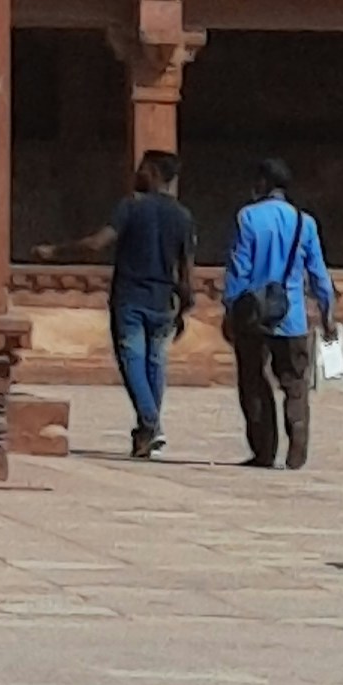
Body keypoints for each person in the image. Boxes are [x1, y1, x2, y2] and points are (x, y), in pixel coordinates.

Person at [220, 157, 337, 473]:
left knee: (254, 382)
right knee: (295, 383)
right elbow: (318, 274)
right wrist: (327, 313)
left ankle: (263, 450)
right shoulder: (305, 222)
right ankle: (297, 444)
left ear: (262, 183)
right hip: (292, 316)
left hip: (252, 315)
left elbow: (238, 269)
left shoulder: (247, 218)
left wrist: (230, 308)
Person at [104, 148, 196, 459]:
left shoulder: (131, 207)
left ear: (154, 173)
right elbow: (186, 269)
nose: (137, 173)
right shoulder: (182, 215)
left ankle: (151, 423)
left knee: (133, 363)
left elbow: (99, 241)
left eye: (142, 168)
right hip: (163, 301)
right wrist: (184, 307)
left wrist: (56, 251)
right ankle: (145, 434)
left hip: (131, 297)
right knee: (154, 365)